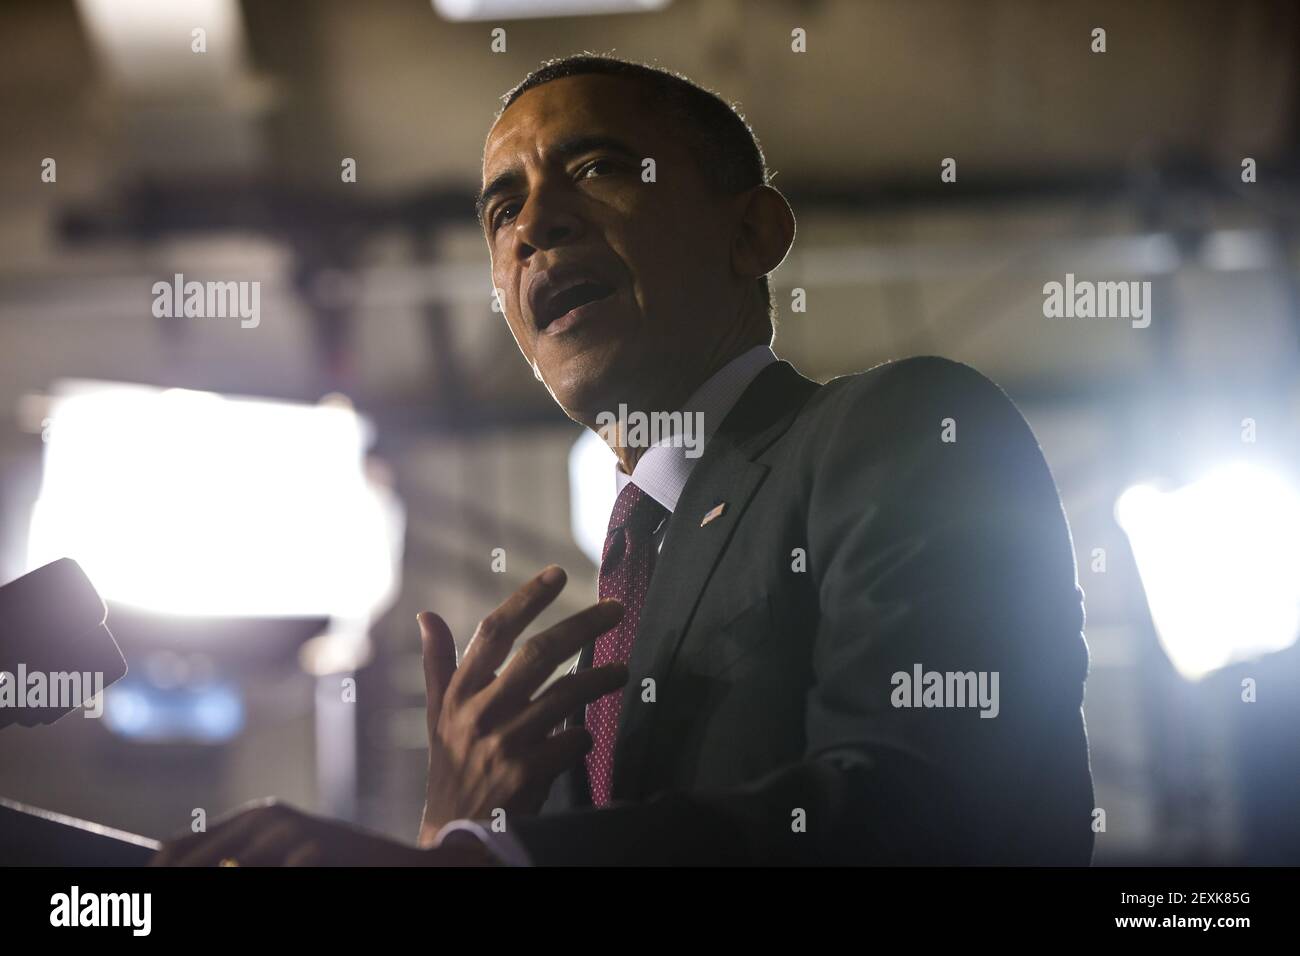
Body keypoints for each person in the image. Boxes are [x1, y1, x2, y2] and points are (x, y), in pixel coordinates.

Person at [155, 55, 1094, 867]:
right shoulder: (598, 658)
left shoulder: (903, 427)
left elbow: (938, 804)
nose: (534, 227)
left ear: (752, 233)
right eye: (500, 211)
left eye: (597, 166)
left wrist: (490, 861)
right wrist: (455, 823)